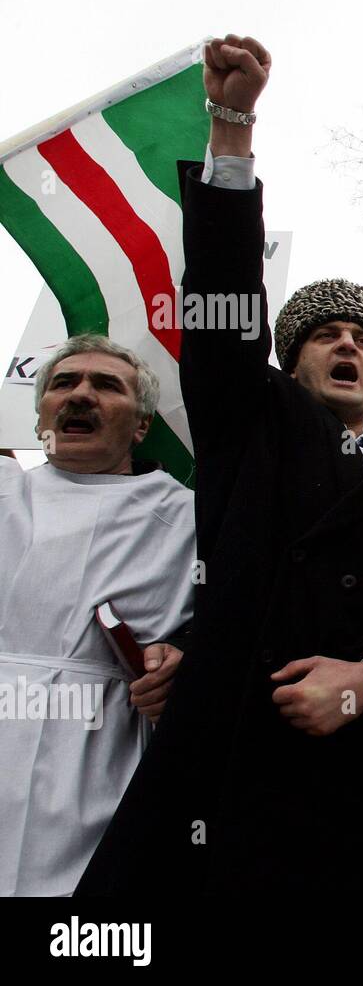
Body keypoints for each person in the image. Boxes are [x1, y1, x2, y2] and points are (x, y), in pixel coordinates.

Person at [77, 35, 363, 896]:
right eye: (323, 336)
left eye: (362, 340)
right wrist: (232, 130)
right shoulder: (253, 426)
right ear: (289, 363)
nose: (346, 345)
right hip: (229, 786)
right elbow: (225, 303)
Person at [0, 335, 193, 895]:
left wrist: (184, 655)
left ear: (140, 426)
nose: (80, 395)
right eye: (63, 383)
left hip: (101, 758)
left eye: (106, 385)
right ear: (40, 413)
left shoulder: (191, 518)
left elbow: (245, 620)